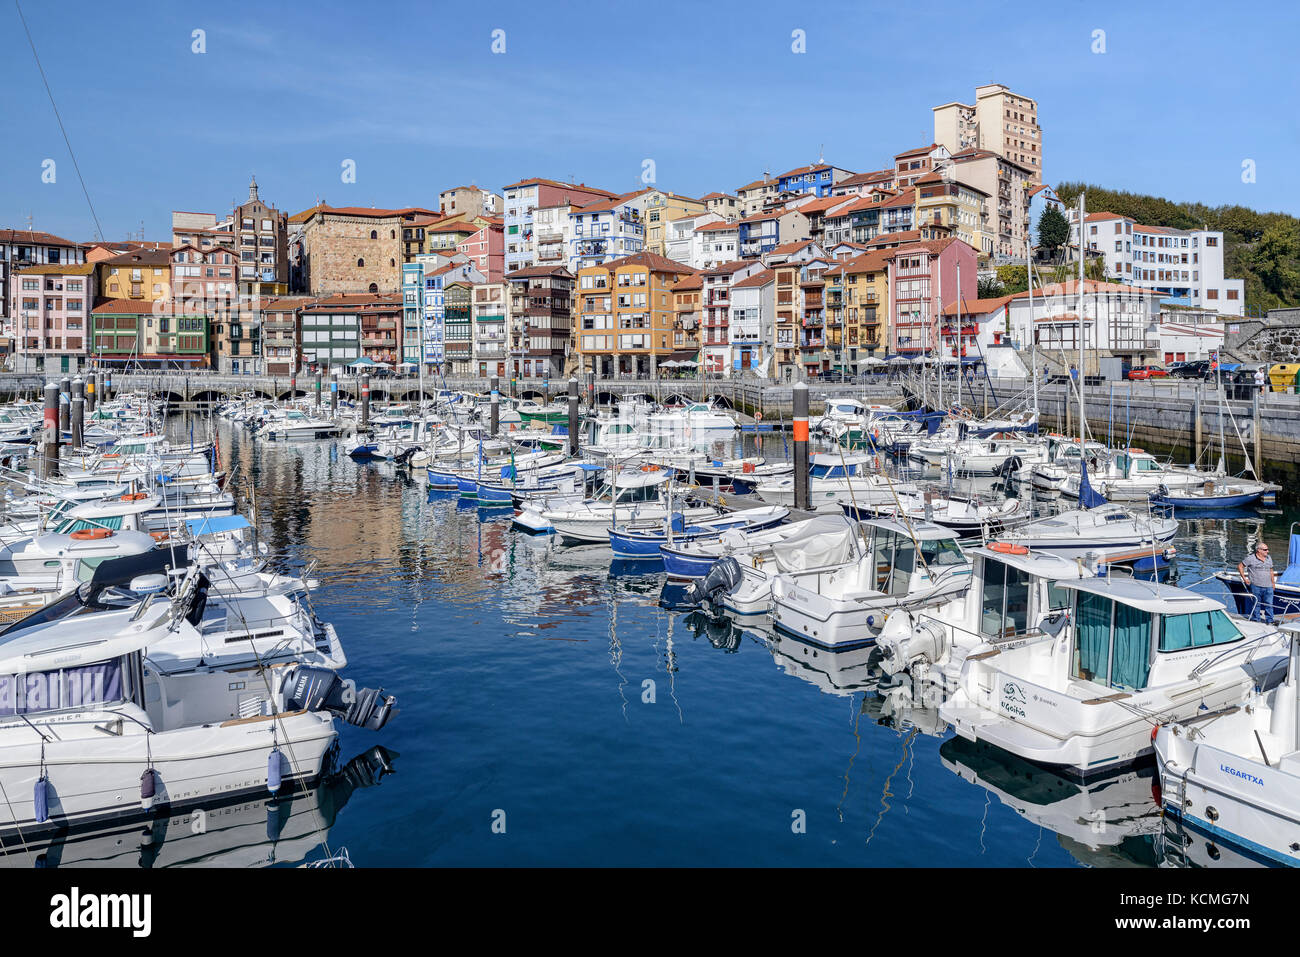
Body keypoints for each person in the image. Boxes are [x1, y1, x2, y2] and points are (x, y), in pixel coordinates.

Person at [1239, 540, 1278, 624]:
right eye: (1265, 549)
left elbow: (1271, 570)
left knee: (1269, 604)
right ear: (1259, 550)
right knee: (1256, 604)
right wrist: (1244, 578)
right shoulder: (1251, 558)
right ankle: (1256, 619)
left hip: (1268, 586)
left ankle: (1270, 621)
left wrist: (1273, 583)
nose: (1267, 551)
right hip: (1256, 586)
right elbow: (1240, 566)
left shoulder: (1269, 558)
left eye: (1267, 549)